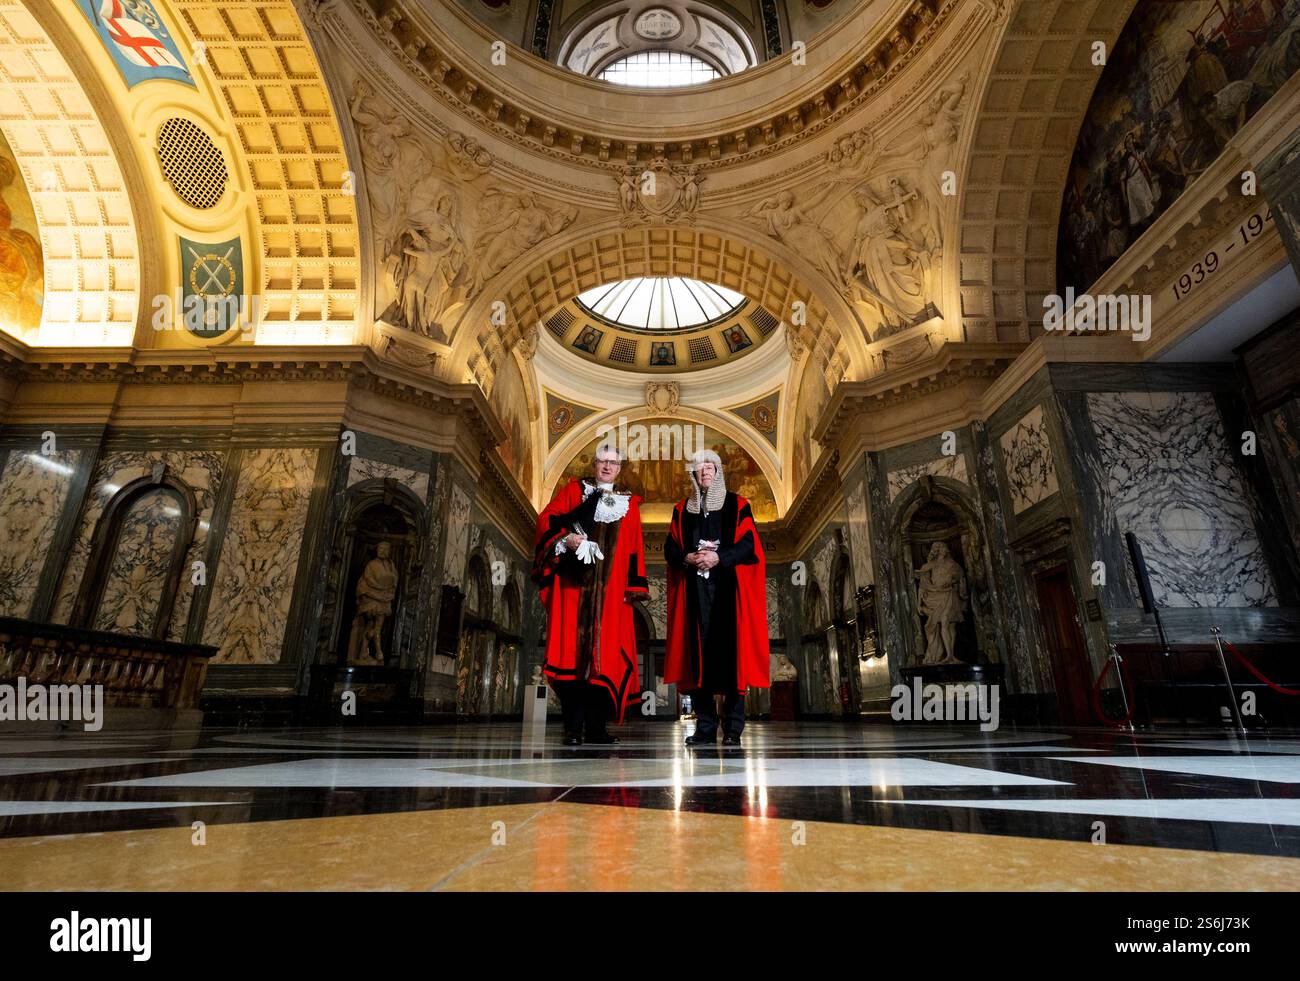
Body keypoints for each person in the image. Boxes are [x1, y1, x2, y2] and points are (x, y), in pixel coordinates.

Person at [532, 444, 648, 745]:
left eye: (613, 463)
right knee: (572, 660)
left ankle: (597, 728)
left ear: (620, 468)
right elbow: (547, 519)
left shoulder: (629, 504)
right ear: (594, 464)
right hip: (574, 590)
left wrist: (632, 589)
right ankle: (572, 729)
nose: (607, 467)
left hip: (612, 598)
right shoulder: (574, 490)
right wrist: (566, 538)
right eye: (602, 462)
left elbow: (634, 546)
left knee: (606, 661)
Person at [664, 449, 770, 748]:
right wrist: (688, 557)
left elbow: (748, 546)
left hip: (728, 594)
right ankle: (705, 728)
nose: (705, 472)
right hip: (694, 599)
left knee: (731, 664)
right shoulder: (682, 509)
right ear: (693, 475)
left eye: (710, 467)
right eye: (699, 469)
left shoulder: (738, 505)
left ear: (718, 472)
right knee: (698, 666)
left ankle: (733, 729)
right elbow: (670, 548)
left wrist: (718, 558)